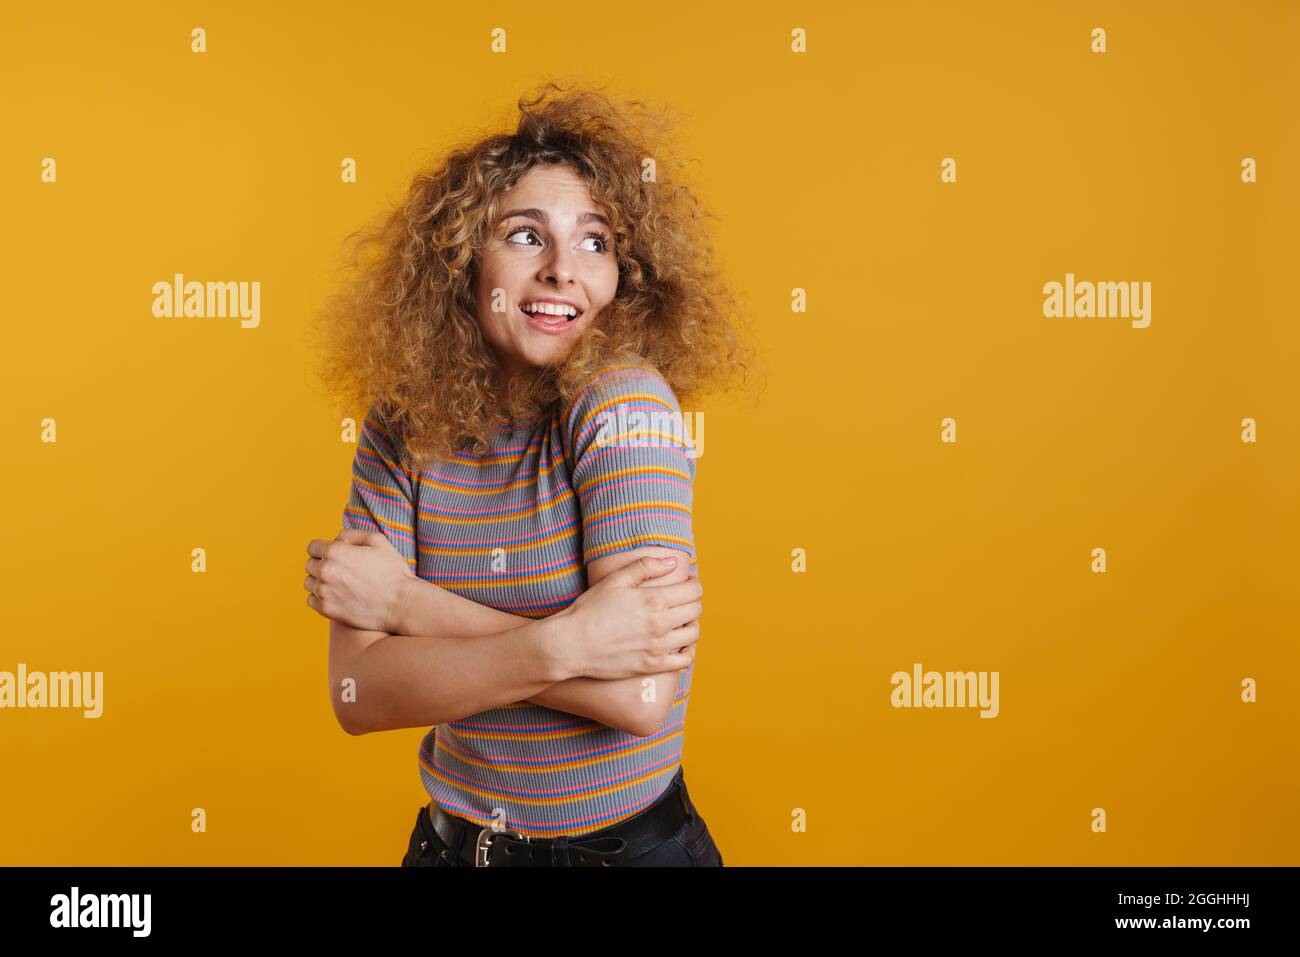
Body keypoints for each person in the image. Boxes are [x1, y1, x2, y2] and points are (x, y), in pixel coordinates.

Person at [303, 82, 756, 866]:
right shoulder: (402, 423)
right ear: (461, 260)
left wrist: (407, 602)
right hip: (455, 850)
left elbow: (637, 698)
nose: (561, 271)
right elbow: (358, 695)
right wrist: (568, 644)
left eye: (594, 242)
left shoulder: (625, 404)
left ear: (625, 272)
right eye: (523, 235)